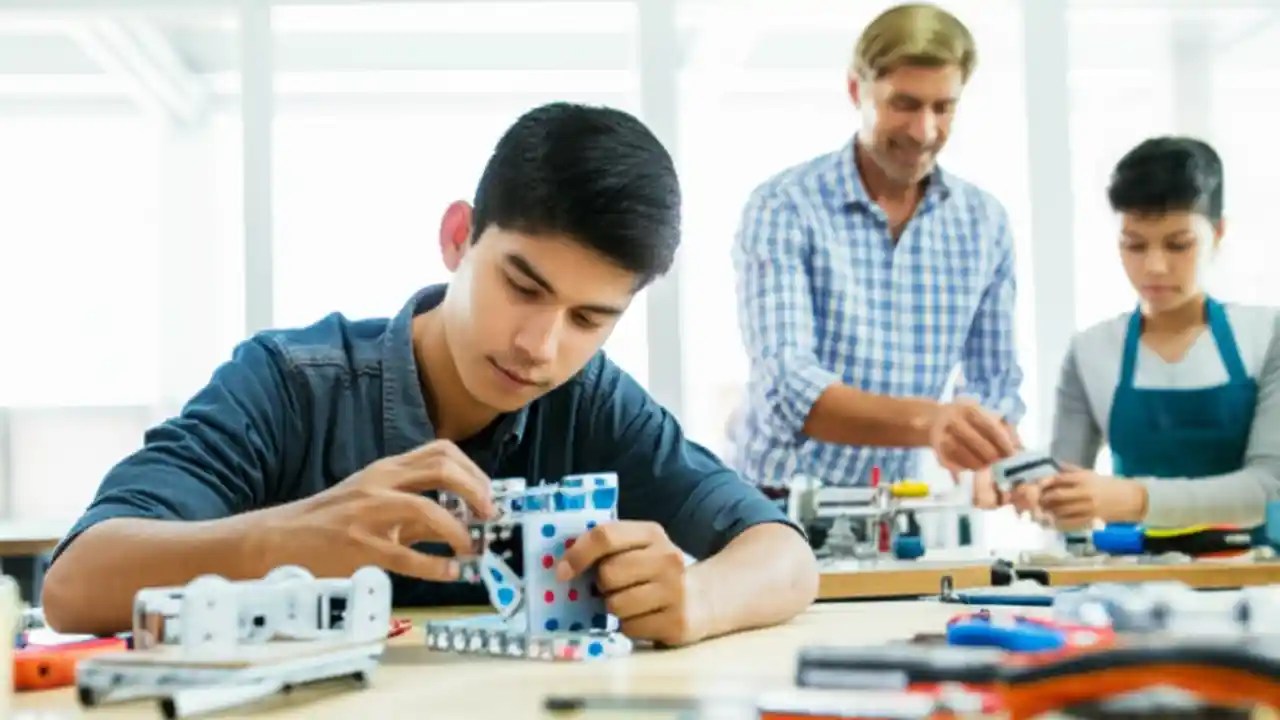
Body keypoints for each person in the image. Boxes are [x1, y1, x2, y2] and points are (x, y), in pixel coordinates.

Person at [42, 102, 819, 644]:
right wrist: (293, 538)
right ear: (458, 238)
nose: (540, 346)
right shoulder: (288, 383)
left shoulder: (589, 399)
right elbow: (74, 584)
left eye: (590, 319)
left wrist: (700, 597)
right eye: (522, 286)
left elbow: (783, 553)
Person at [730, 2, 1024, 492]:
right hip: (773, 497)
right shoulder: (784, 207)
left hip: (896, 503)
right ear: (855, 90)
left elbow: (992, 382)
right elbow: (787, 383)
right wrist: (932, 422)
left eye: (943, 107)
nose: (924, 131)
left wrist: (991, 450)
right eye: (904, 104)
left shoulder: (985, 223)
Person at [1030, 136, 1280, 533]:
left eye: (1179, 245)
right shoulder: (1090, 351)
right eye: (1134, 245)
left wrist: (1130, 498)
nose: (1155, 266)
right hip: (1132, 584)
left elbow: (1270, 489)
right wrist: (1036, 492)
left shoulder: (1267, 336)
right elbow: (1061, 504)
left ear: (1218, 234)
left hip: (1256, 580)